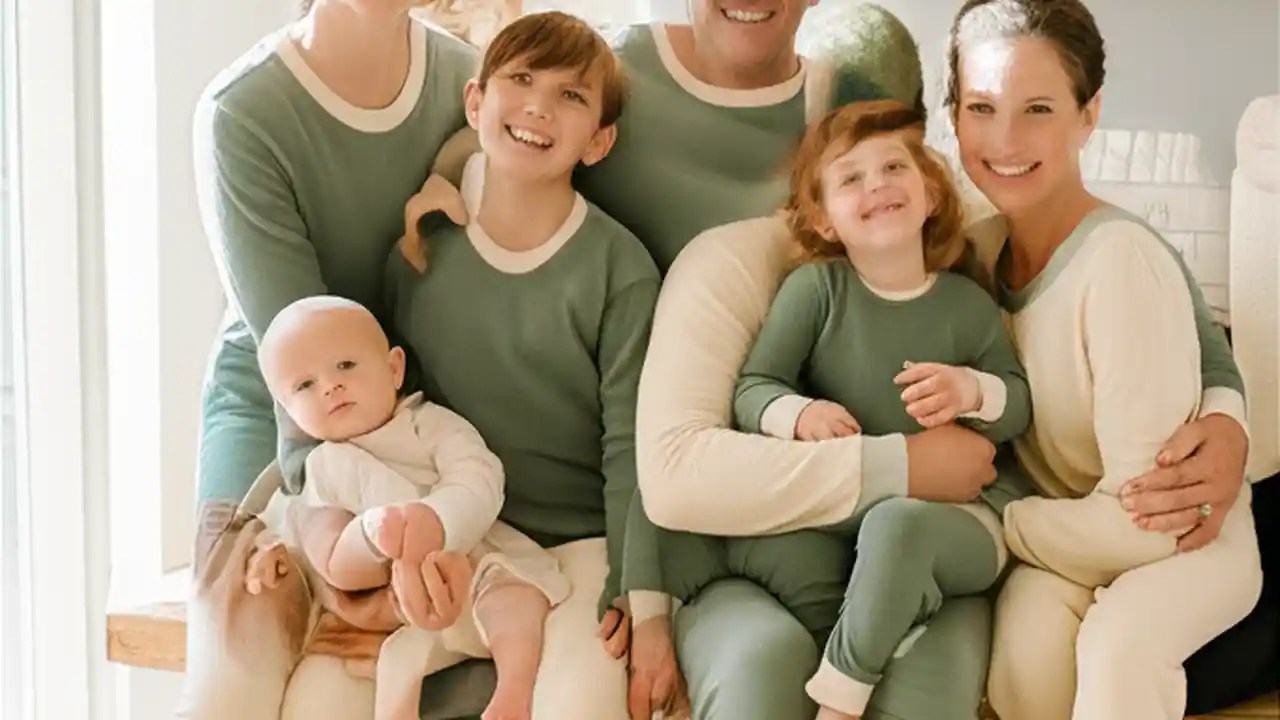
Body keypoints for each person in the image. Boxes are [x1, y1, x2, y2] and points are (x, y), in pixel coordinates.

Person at [939, 1, 1265, 717]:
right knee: (1022, 671)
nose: (1005, 138)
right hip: (1071, 537)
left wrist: (1001, 522)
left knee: (1119, 646)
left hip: (1179, 541)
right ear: (952, 115)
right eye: (981, 107)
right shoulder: (972, 252)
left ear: (1089, 115)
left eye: (1039, 109)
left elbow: (1150, 523)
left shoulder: (1119, 264)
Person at [382, 11, 686, 719]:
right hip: (463, 535)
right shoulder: (421, 248)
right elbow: (397, 413)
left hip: (583, 546)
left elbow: (630, 450)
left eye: (571, 96)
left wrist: (646, 606)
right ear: (476, 102)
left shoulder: (619, 269)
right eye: (520, 79)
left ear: (599, 140)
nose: (538, 107)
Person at [725, 99, 1031, 720]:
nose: (878, 185)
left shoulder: (966, 306)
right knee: (857, 541)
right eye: (851, 178)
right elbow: (754, 387)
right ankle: (890, 621)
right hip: (859, 530)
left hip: (969, 523)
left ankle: (837, 703)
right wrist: (799, 415)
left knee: (896, 526)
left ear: (932, 195)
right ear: (825, 219)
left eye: (894, 166)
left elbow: (1018, 406)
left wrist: (972, 390)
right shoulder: (817, 293)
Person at [253, 295, 578, 720]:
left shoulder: (427, 423)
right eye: (305, 385)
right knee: (397, 657)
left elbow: (480, 475)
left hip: (473, 558)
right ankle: (376, 536)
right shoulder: (323, 466)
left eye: (346, 366)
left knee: (515, 600)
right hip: (395, 596)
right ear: (289, 413)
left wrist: (439, 521)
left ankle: (514, 690)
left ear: (394, 369)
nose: (330, 386)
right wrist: (279, 551)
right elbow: (307, 536)